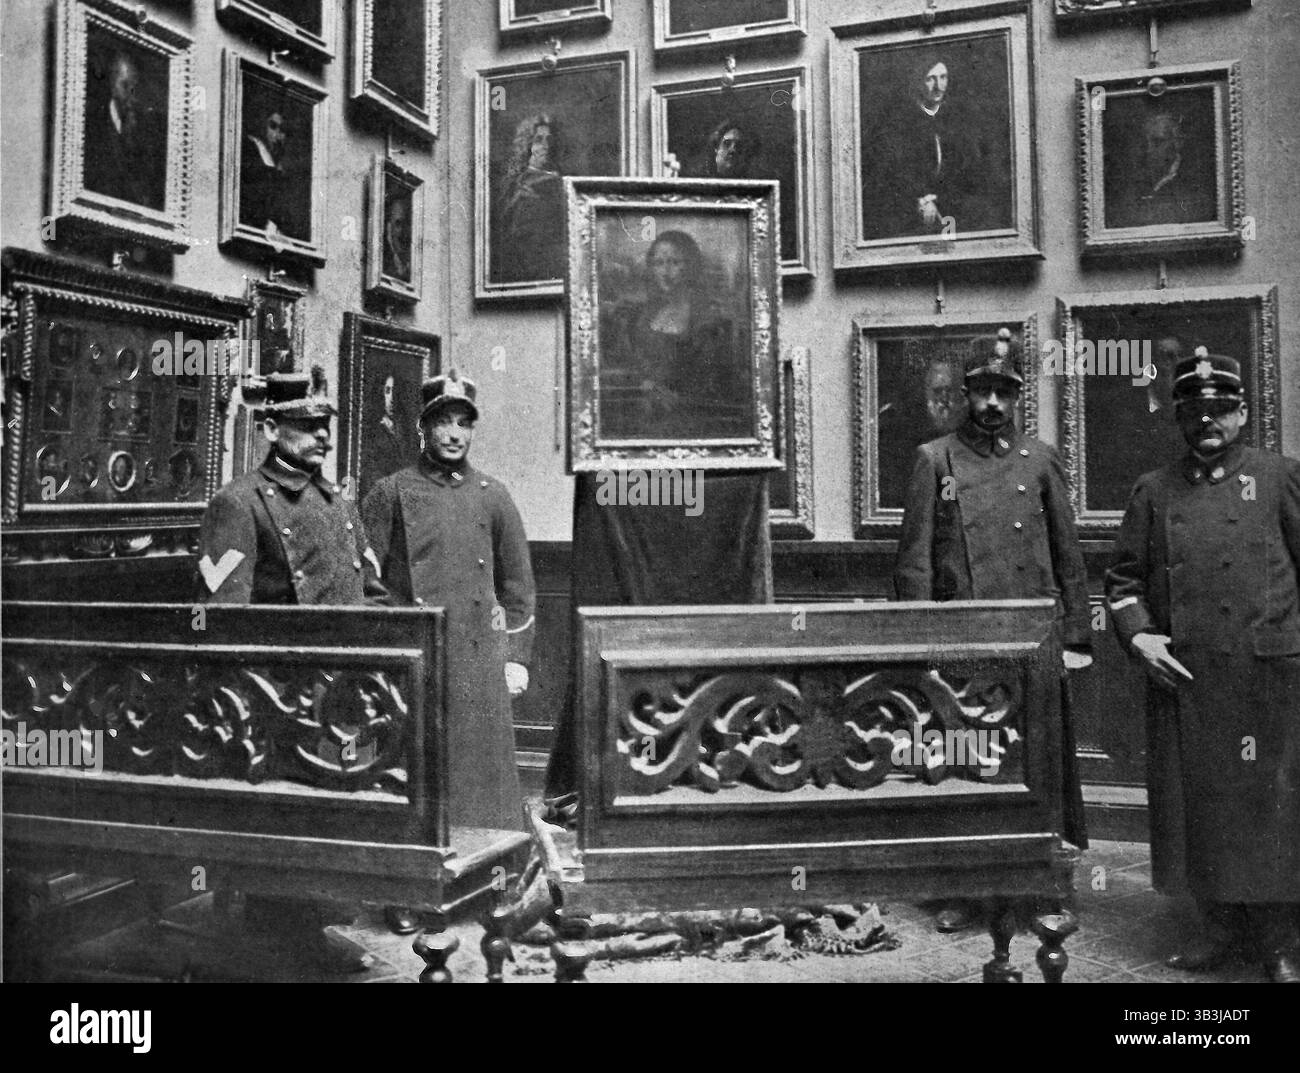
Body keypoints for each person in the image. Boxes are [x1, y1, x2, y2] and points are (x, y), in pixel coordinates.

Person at [1105, 347, 1300, 983]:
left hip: (1268, 676)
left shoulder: (1279, 478)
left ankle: (1277, 940)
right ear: (1179, 417)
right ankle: (1217, 929)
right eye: (1195, 410)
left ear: (1243, 414)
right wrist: (1140, 640)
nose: (1207, 421)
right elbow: (1123, 583)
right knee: (1203, 812)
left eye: (1220, 409)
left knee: (1271, 809)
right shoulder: (1153, 491)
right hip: (1188, 679)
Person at [894, 328, 1093, 931]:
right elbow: (915, 561)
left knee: (1040, 763)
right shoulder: (936, 459)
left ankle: (1044, 887)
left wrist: (1077, 636)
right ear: (964, 395)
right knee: (967, 760)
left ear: (1017, 397)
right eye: (980, 391)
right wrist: (918, 644)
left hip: (1034, 640)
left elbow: (1067, 553)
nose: (991, 404)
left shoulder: (1040, 460)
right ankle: (964, 887)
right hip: (965, 642)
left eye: (1003, 393)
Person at [196, 366, 388, 974]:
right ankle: (281, 941)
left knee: (339, 812)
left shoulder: (339, 502)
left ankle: (311, 931)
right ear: (272, 427)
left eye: (324, 426)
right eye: (307, 426)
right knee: (289, 819)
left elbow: (371, 590)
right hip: (278, 691)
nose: (321, 437)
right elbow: (219, 610)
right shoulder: (238, 503)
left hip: (344, 684)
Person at [362, 372, 536, 935]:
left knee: (484, 771)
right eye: (443, 421)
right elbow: (368, 581)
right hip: (417, 658)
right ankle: (412, 889)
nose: (454, 433)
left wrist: (516, 657)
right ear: (422, 427)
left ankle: (495, 881)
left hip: (481, 658)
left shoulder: (494, 495)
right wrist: (391, 647)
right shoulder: (390, 493)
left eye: (464, 422)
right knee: (416, 772)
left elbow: (520, 589)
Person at [601, 230, 747, 439]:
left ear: (691, 266)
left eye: (674, 262)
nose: (665, 272)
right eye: (658, 263)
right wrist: (644, 384)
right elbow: (635, 362)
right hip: (645, 411)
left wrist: (672, 396)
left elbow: (710, 384)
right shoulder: (646, 313)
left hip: (689, 418)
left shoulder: (706, 319)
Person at [1106, 107, 1217, 229]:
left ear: (1177, 142)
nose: (1148, 149)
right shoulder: (1133, 179)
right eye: (1145, 142)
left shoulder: (1196, 182)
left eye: (1157, 142)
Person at [84, 48, 164, 210]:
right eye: (124, 85)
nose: (130, 93)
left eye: (133, 86)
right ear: (112, 83)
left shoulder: (141, 129)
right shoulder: (93, 124)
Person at [497, 113, 565, 282]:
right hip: (520, 261)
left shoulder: (562, 182)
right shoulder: (514, 184)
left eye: (549, 139)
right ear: (527, 145)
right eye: (538, 140)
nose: (546, 146)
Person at [240, 103, 299, 238]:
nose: (277, 135)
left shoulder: (282, 164)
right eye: (272, 127)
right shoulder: (251, 150)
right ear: (263, 126)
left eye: (282, 130)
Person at [687, 119, 761, 180]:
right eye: (727, 144)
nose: (733, 150)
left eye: (739, 146)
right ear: (716, 147)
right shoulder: (698, 177)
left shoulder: (752, 181)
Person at [382, 193, 413, 282]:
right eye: (398, 224)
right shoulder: (384, 267)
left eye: (408, 224)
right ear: (389, 228)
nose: (404, 232)